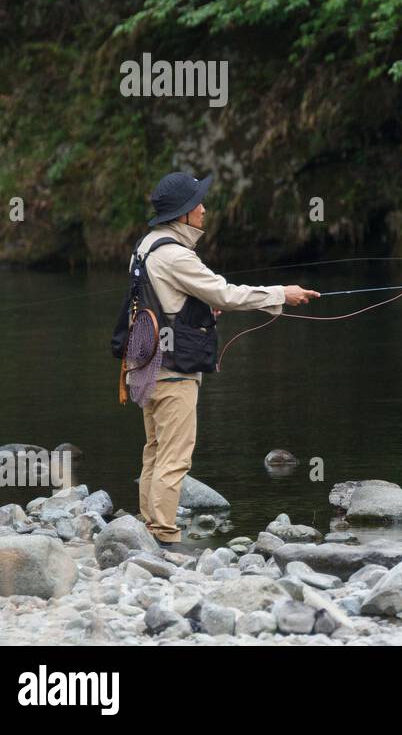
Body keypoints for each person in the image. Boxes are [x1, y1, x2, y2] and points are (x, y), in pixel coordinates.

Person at [132, 171, 319, 548]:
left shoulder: (147, 246)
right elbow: (225, 294)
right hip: (173, 371)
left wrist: (200, 310)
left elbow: (167, 302)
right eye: (197, 203)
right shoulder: (175, 255)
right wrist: (280, 293)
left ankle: (148, 527)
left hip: (146, 365)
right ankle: (164, 537)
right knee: (175, 457)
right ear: (182, 213)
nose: (204, 208)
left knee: (154, 449)